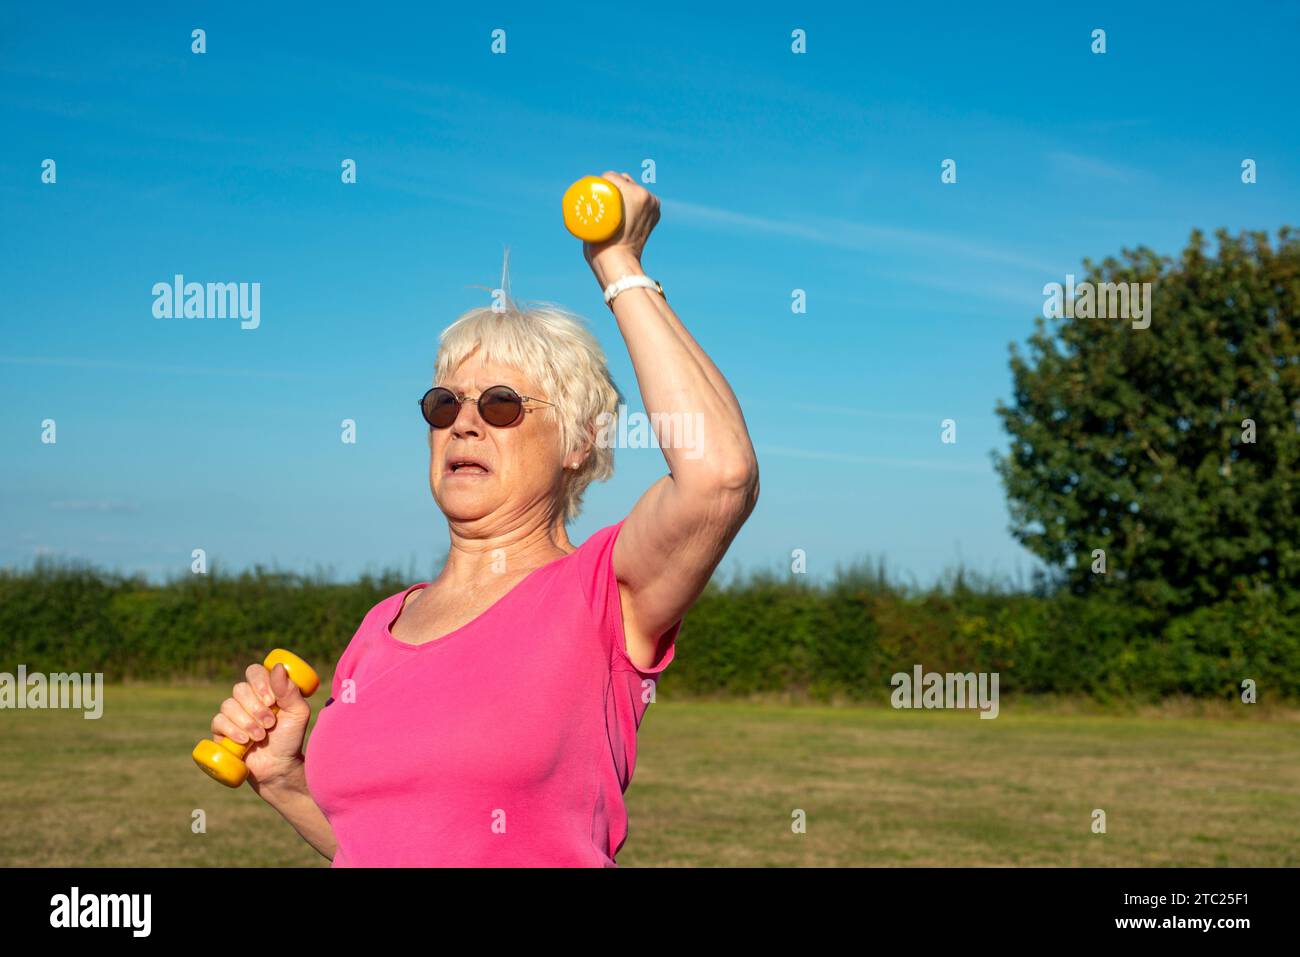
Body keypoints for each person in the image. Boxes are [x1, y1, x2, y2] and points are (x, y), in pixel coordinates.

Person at [206, 172, 759, 866]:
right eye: (445, 404)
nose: (464, 422)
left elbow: (720, 477)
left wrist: (618, 264)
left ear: (579, 441)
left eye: (501, 404)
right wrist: (286, 781)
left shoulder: (602, 592)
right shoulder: (381, 626)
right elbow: (383, 848)